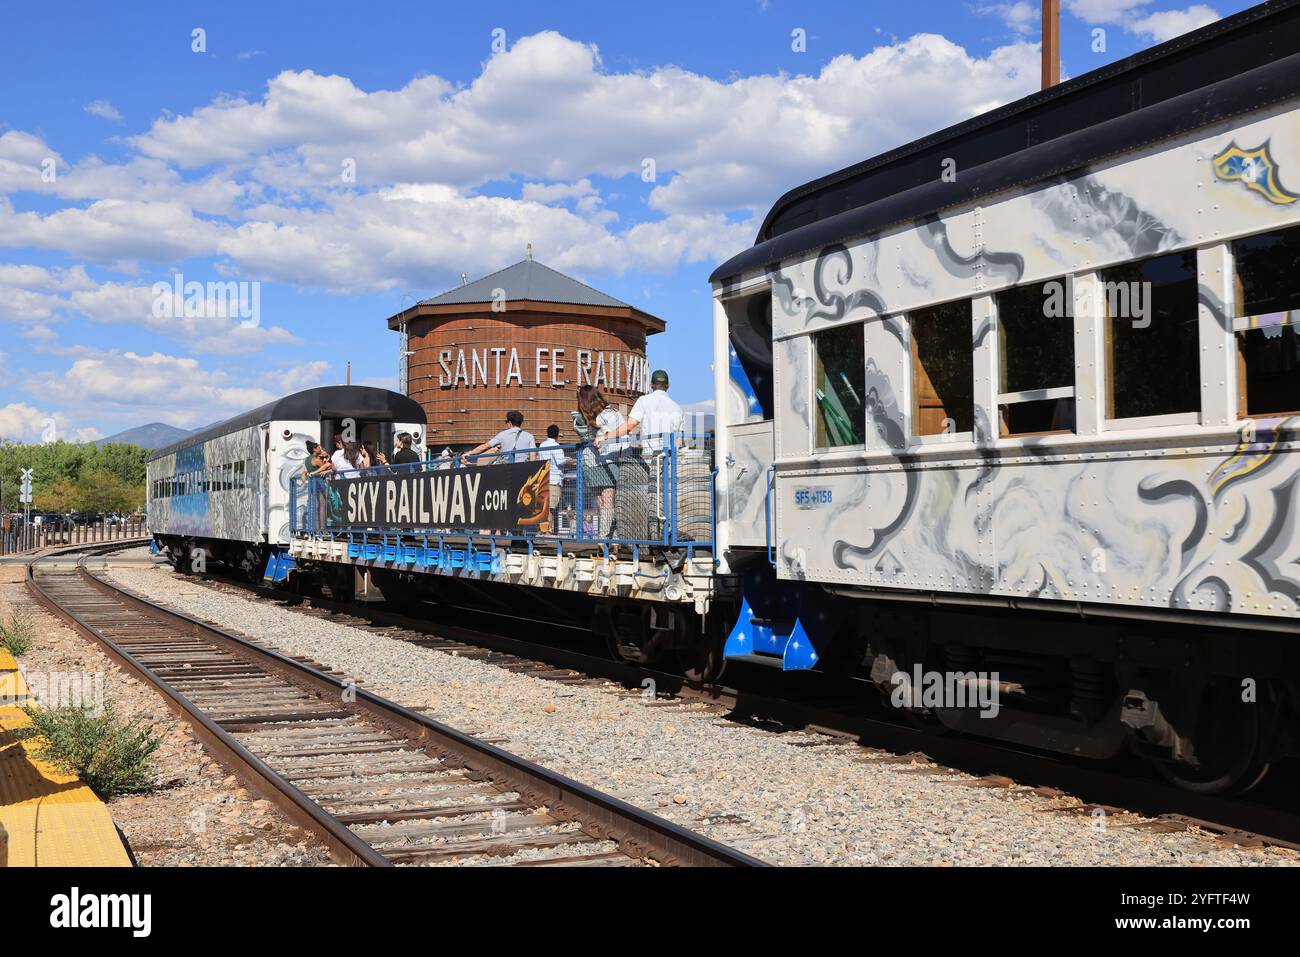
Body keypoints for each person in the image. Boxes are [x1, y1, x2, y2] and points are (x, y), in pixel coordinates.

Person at [573, 385, 624, 538]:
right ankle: (607, 537)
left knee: (602, 503)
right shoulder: (611, 414)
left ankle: (605, 537)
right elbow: (622, 432)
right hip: (608, 460)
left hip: (590, 461)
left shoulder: (581, 418)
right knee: (607, 501)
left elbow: (580, 430)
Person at [595, 369, 684, 454]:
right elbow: (679, 440)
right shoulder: (677, 408)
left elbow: (630, 425)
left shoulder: (644, 400)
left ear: (651, 385)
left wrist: (605, 437)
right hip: (670, 460)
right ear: (668, 385)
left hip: (651, 456)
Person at [465, 410, 536, 464]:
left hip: (507, 467)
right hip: (524, 468)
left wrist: (470, 453)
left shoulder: (503, 434)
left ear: (510, 423)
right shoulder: (529, 436)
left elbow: (485, 446)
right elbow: (533, 455)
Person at [536, 424, 566, 534]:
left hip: (544, 480)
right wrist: (570, 461)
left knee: (543, 507)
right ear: (557, 435)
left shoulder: (542, 445)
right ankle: (546, 532)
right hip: (554, 480)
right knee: (550, 509)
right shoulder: (556, 446)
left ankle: (541, 531)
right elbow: (561, 461)